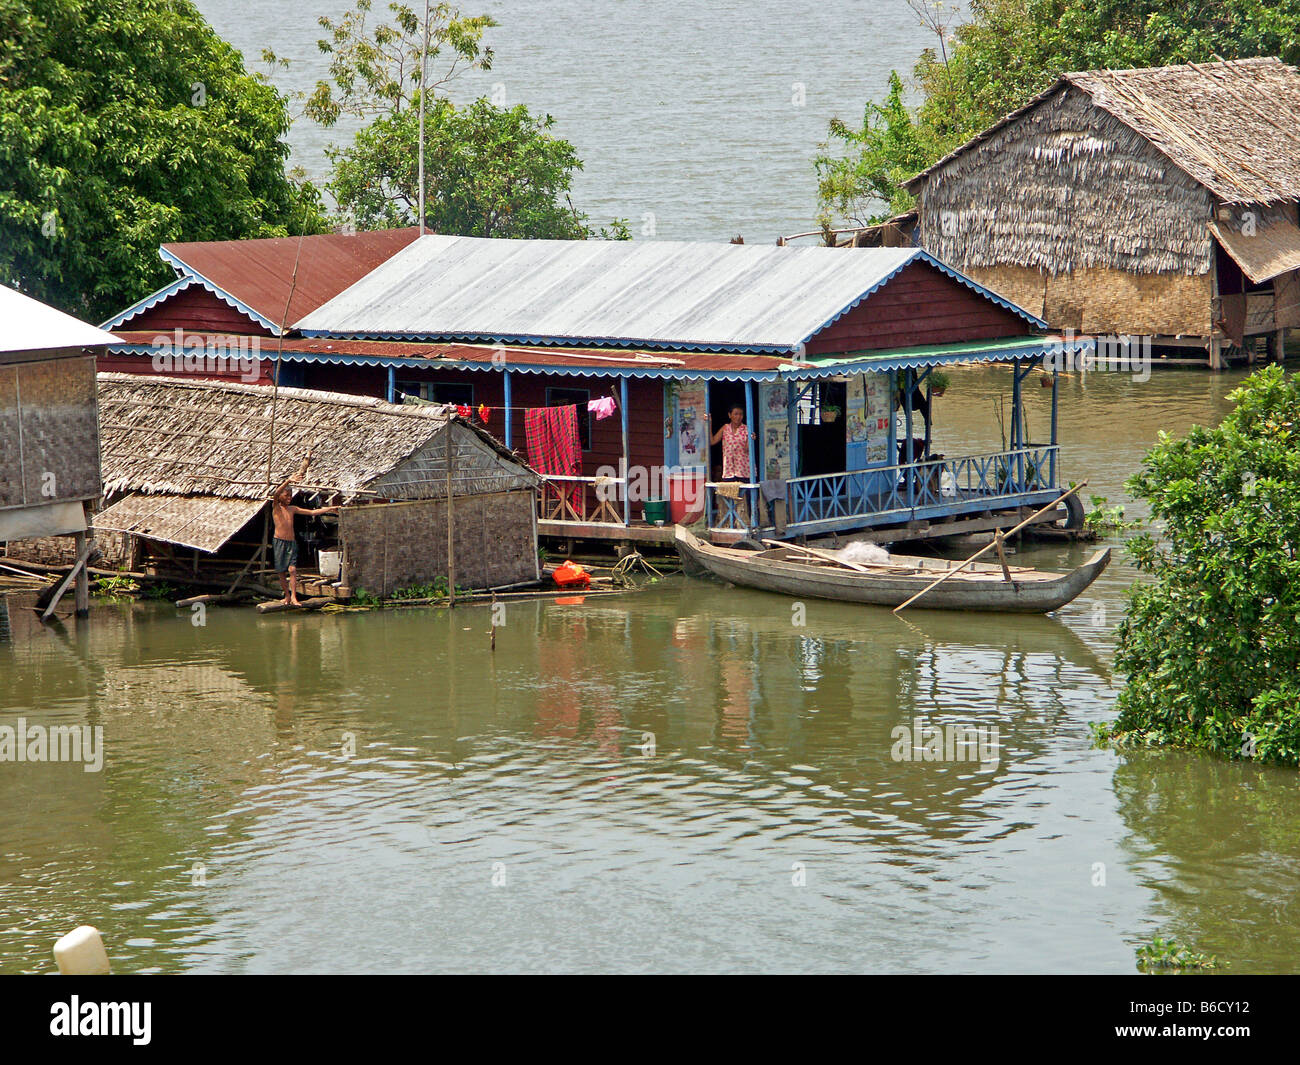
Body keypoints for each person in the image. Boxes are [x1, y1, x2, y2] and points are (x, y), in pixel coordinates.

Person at [270, 451, 340, 607]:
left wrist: (329, 509)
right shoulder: (276, 507)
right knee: (281, 571)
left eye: (290, 497)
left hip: (291, 542)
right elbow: (275, 493)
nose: (289, 499)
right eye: (286, 497)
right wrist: (288, 480)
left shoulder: (293, 509)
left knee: (293, 570)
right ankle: (287, 597)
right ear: (281, 497)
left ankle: (294, 597)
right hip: (279, 542)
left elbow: (312, 512)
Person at [706, 405, 756, 482]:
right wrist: (709, 423)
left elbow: (747, 449)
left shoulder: (747, 429)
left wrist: (751, 440)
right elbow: (712, 441)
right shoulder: (725, 428)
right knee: (730, 493)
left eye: (741, 414)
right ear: (729, 415)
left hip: (744, 471)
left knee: (745, 493)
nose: (738, 417)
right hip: (729, 471)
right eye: (736, 414)